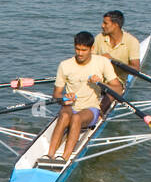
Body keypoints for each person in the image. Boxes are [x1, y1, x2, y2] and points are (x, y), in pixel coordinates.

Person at [41, 32, 114, 165]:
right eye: (77, 49)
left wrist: (101, 83)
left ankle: (64, 158)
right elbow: (56, 94)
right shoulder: (64, 65)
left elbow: (117, 87)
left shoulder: (102, 62)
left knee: (76, 118)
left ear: (92, 49)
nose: (80, 53)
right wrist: (64, 97)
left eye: (84, 50)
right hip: (70, 107)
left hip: (91, 109)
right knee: (63, 115)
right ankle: (49, 155)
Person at [92, 11, 141, 112]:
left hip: (117, 83)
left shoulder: (132, 42)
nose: (102, 26)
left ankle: (99, 114)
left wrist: (112, 60)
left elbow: (135, 69)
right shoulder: (99, 38)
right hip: (97, 79)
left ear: (115, 25)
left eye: (105, 23)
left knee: (112, 91)